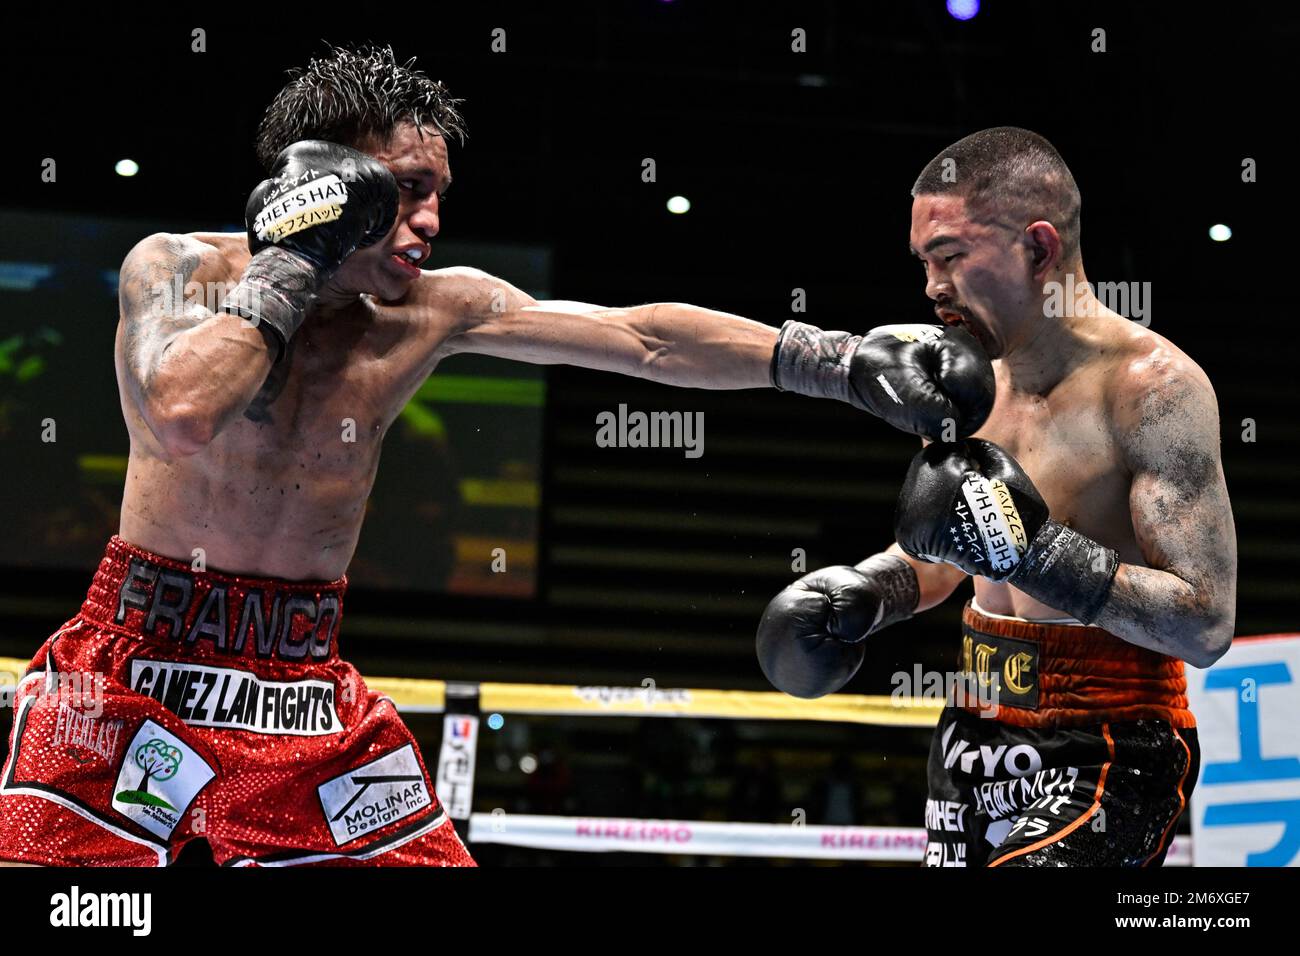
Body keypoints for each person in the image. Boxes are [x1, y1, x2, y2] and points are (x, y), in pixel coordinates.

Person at [0, 45, 994, 867]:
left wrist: (836, 361)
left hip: (301, 681)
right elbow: (181, 411)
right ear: (322, 176)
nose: (431, 220)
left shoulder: (434, 309)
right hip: (132, 670)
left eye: (440, 194)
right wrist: (291, 258)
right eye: (409, 190)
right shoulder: (174, 265)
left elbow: (640, 335)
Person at [757, 127, 1236, 867]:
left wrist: (1030, 550)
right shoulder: (963, 380)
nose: (931, 287)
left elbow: (1205, 624)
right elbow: (948, 555)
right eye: (923, 262)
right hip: (976, 724)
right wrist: (867, 593)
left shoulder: (1154, 390)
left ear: (1040, 249)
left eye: (949, 257)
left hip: (1111, 733)